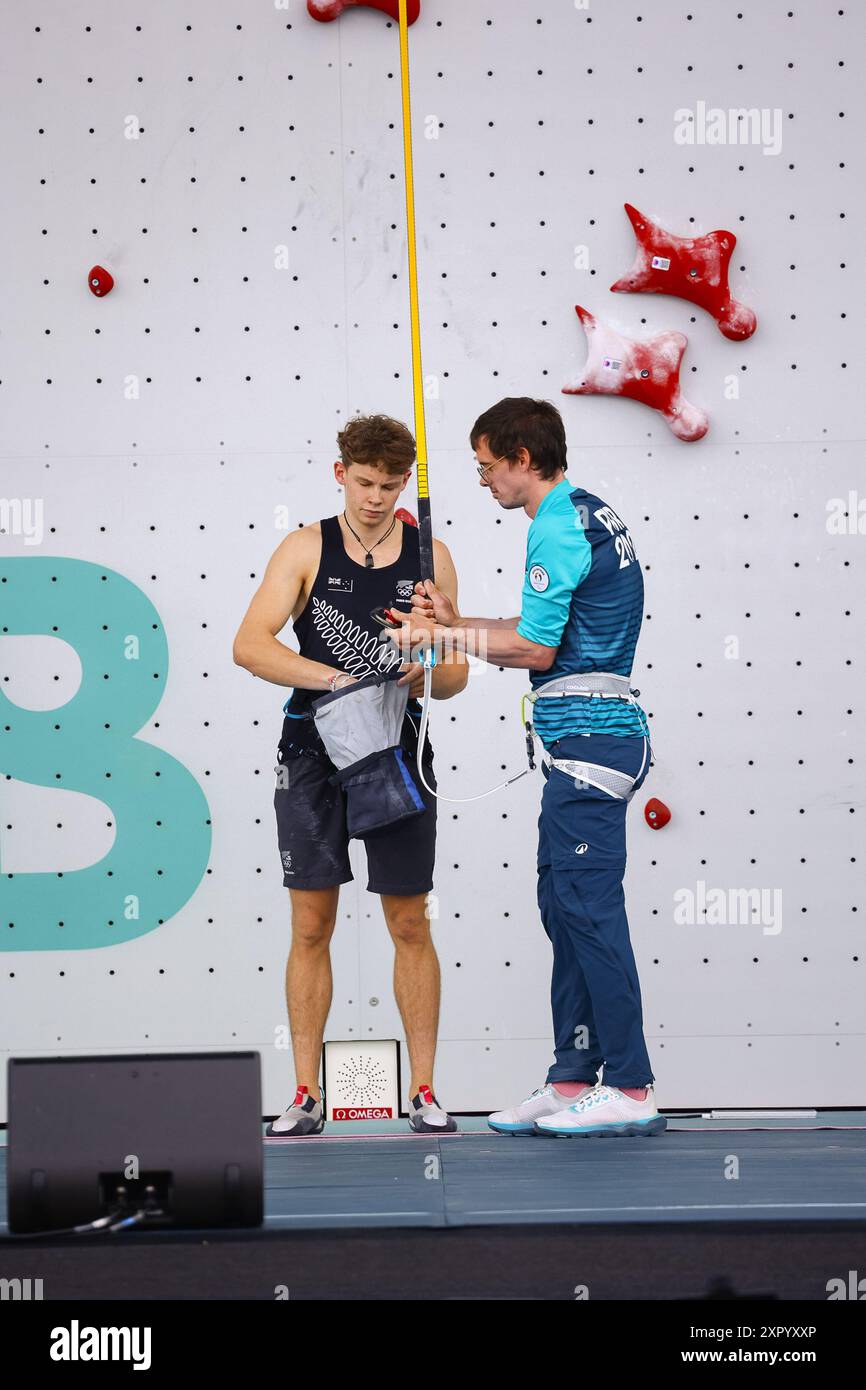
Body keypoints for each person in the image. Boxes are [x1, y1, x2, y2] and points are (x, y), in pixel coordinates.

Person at [388, 398, 666, 1138]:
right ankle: (573, 1077)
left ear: (519, 456)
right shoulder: (582, 513)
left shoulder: (555, 527)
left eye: (485, 466)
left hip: (590, 750)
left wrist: (442, 641)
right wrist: (450, 623)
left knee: (587, 910)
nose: (482, 481)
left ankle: (631, 1087)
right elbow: (537, 629)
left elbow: (536, 654)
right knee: (562, 908)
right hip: (581, 749)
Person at [233, 414, 468, 1136]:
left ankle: (424, 1092)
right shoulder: (305, 547)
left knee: (409, 920)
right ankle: (306, 1094)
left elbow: (456, 675)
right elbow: (249, 646)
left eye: (389, 485)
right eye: (363, 482)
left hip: (397, 749)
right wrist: (334, 677)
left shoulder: (433, 557)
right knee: (311, 924)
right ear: (341, 474)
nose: (374, 497)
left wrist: (429, 666)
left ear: (406, 483)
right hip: (312, 751)